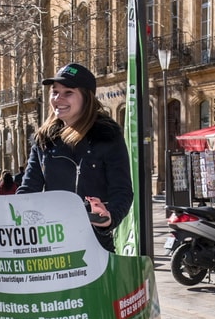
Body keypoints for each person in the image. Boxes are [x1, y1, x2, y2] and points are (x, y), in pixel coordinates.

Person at [17, 63, 133, 252]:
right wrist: (14, 212)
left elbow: (122, 191)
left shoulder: (107, 135)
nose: (58, 98)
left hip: (95, 244)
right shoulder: (43, 139)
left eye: (68, 92)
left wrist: (109, 216)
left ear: (86, 97)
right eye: (55, 92)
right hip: (50, 243)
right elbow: (28, 189)